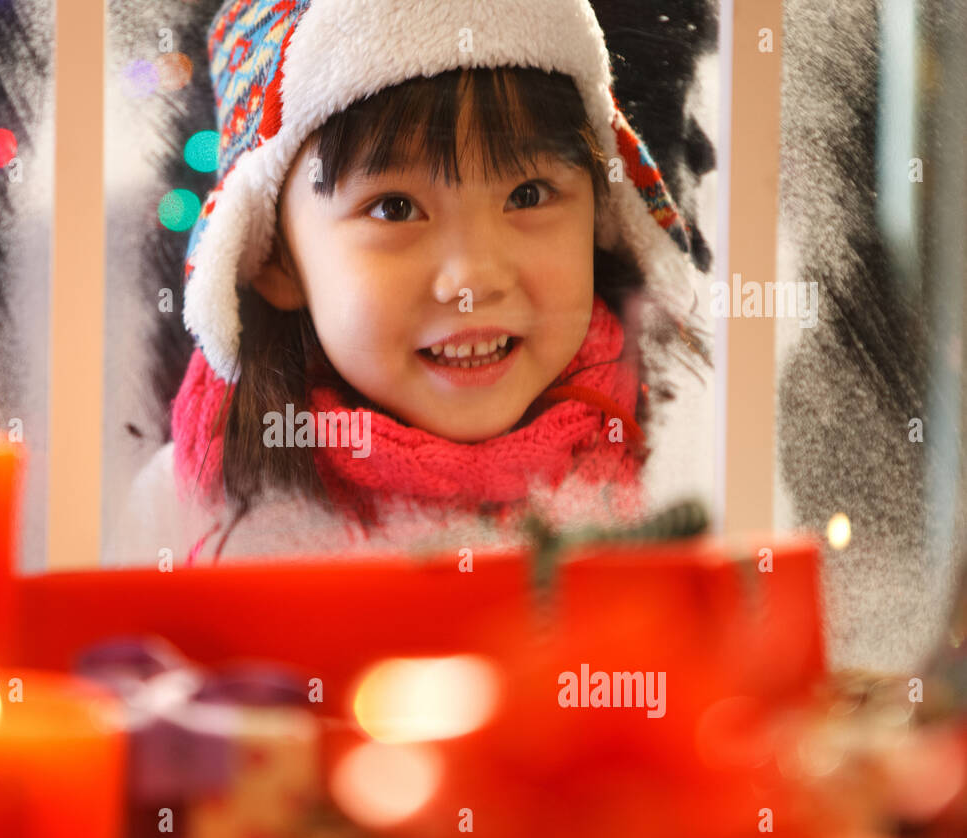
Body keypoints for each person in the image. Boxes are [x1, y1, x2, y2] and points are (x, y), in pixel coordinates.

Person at [117, 0, 709, 566]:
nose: (474, 278)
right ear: (274, 259)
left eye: (527, 195)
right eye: (395, 208)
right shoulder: (191, 516)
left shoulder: (669, 492)